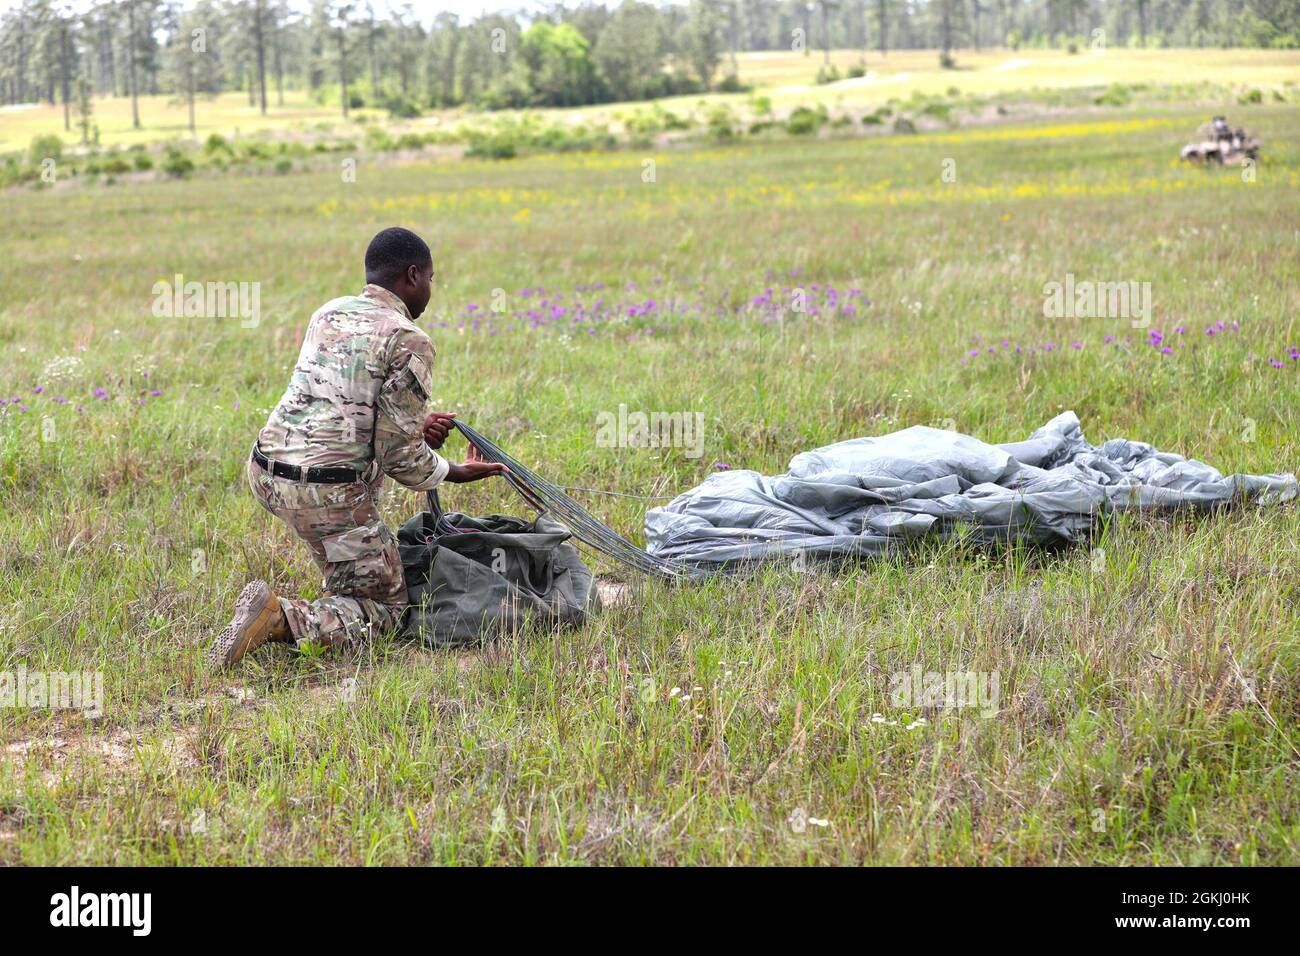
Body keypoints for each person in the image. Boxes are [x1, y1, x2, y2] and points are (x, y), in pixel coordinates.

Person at [209, 226, 506, 667]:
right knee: (386, 609)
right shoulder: (411, 339)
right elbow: (397, 457)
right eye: (430, 279)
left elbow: (338, 404)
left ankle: (347, 578)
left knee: (357, 551)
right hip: (323, 493)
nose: (430, 289)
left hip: (267, 471)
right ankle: (280, 618)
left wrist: (413, 425)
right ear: (412, 277)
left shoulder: (329, 312)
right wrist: (451, 471)